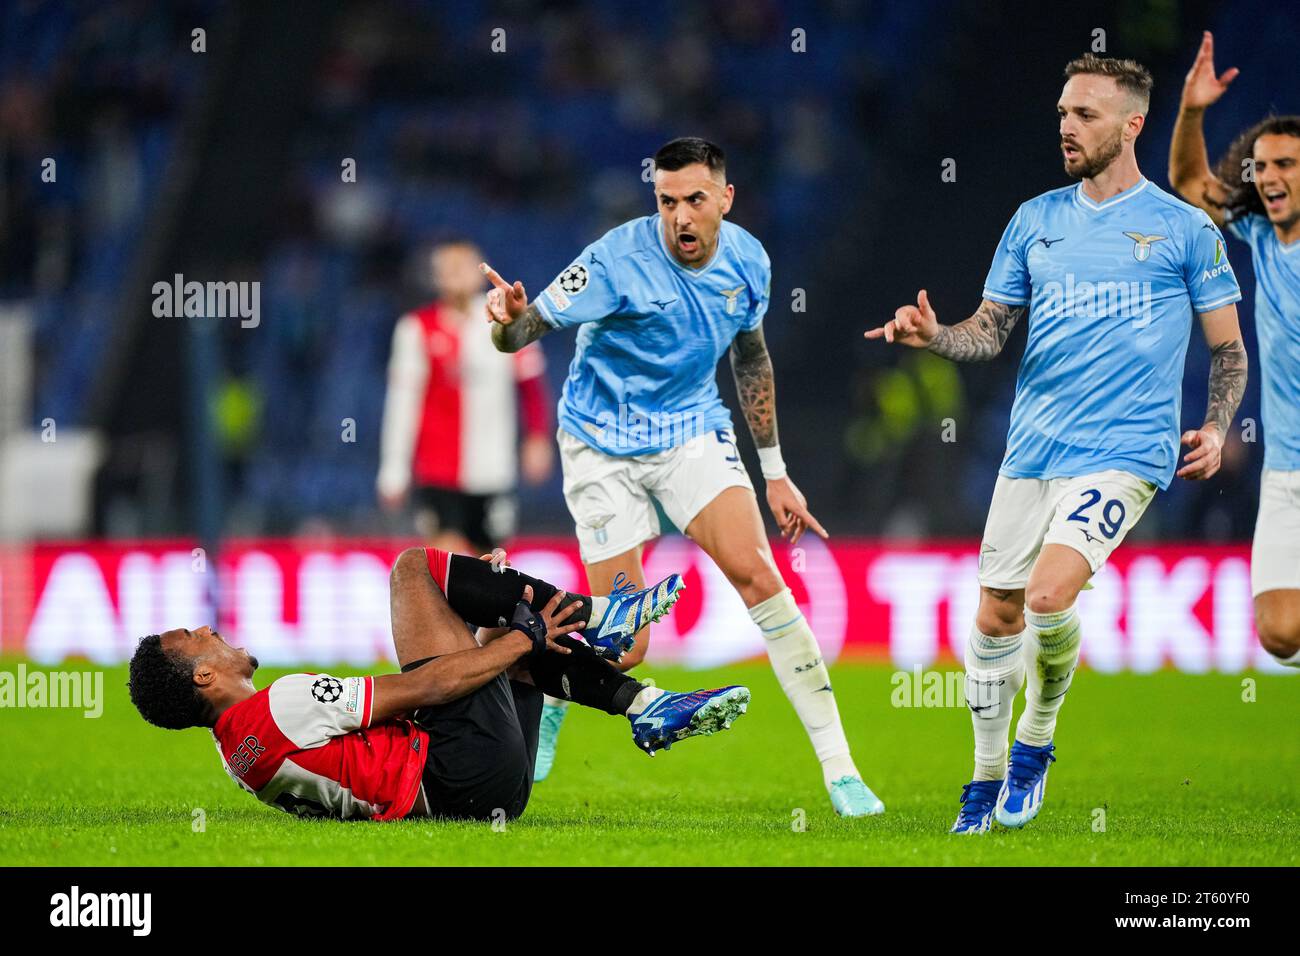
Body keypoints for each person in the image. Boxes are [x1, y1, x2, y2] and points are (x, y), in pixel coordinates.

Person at [867, 53, 1247, 833]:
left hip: (1126, 452)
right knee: (996, 615)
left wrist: (1214, 424)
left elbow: (1230, 350)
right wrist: (937, 335)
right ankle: (985, 774)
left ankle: (1035, 741)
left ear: (1133, 124)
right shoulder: (1034, 219)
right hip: (1033, 449)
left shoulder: (1184, 230)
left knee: (1046, 596)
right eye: (1062, 114)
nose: (1067, 128)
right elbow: (988, 331)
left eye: (1085, 115)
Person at [481, 136, 883, 817]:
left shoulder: (750, 261)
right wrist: (507, 325)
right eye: (666, 202)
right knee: (626, 646)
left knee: (761, 576)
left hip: (690, 433)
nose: (680, 217)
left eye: (695, 199)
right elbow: (523, 332)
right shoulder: (615, 259)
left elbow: (751, 361)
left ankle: (842, 771)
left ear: (725, 198)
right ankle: (554, 693)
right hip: (600, 446)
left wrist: (776, 473)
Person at [126, 550, 743, 821]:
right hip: (462, 770)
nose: (207, 628)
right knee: (415, 570)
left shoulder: (237, 754)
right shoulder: (281, 704)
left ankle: (647, 705)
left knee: (501, 642)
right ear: (203, 676)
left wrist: (499, 629)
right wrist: (519, 634)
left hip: (473, 795)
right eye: (192, 635)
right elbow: (428, 690)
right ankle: (599, 615)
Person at [1168, 30, 1300, 669]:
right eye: (1264, 166)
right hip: (1286, 472)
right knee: (1278, 635)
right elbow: (1190, 180)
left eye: (1287, 165)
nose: (1270, 177)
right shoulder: (1258, 231)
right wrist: (1194, 109)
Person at [378, 238, 554, 554]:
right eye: (448, 268)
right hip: (438, 470)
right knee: (449, 562)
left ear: (479, 273)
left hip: (493, 468)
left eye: (464, 267)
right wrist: (394, 468)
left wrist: (537, 438)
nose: (456, 274)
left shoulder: (508, 323)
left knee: (491, 566)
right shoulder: (416, 329)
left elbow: (531, 384)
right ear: (435, 277)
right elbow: (403, 403)